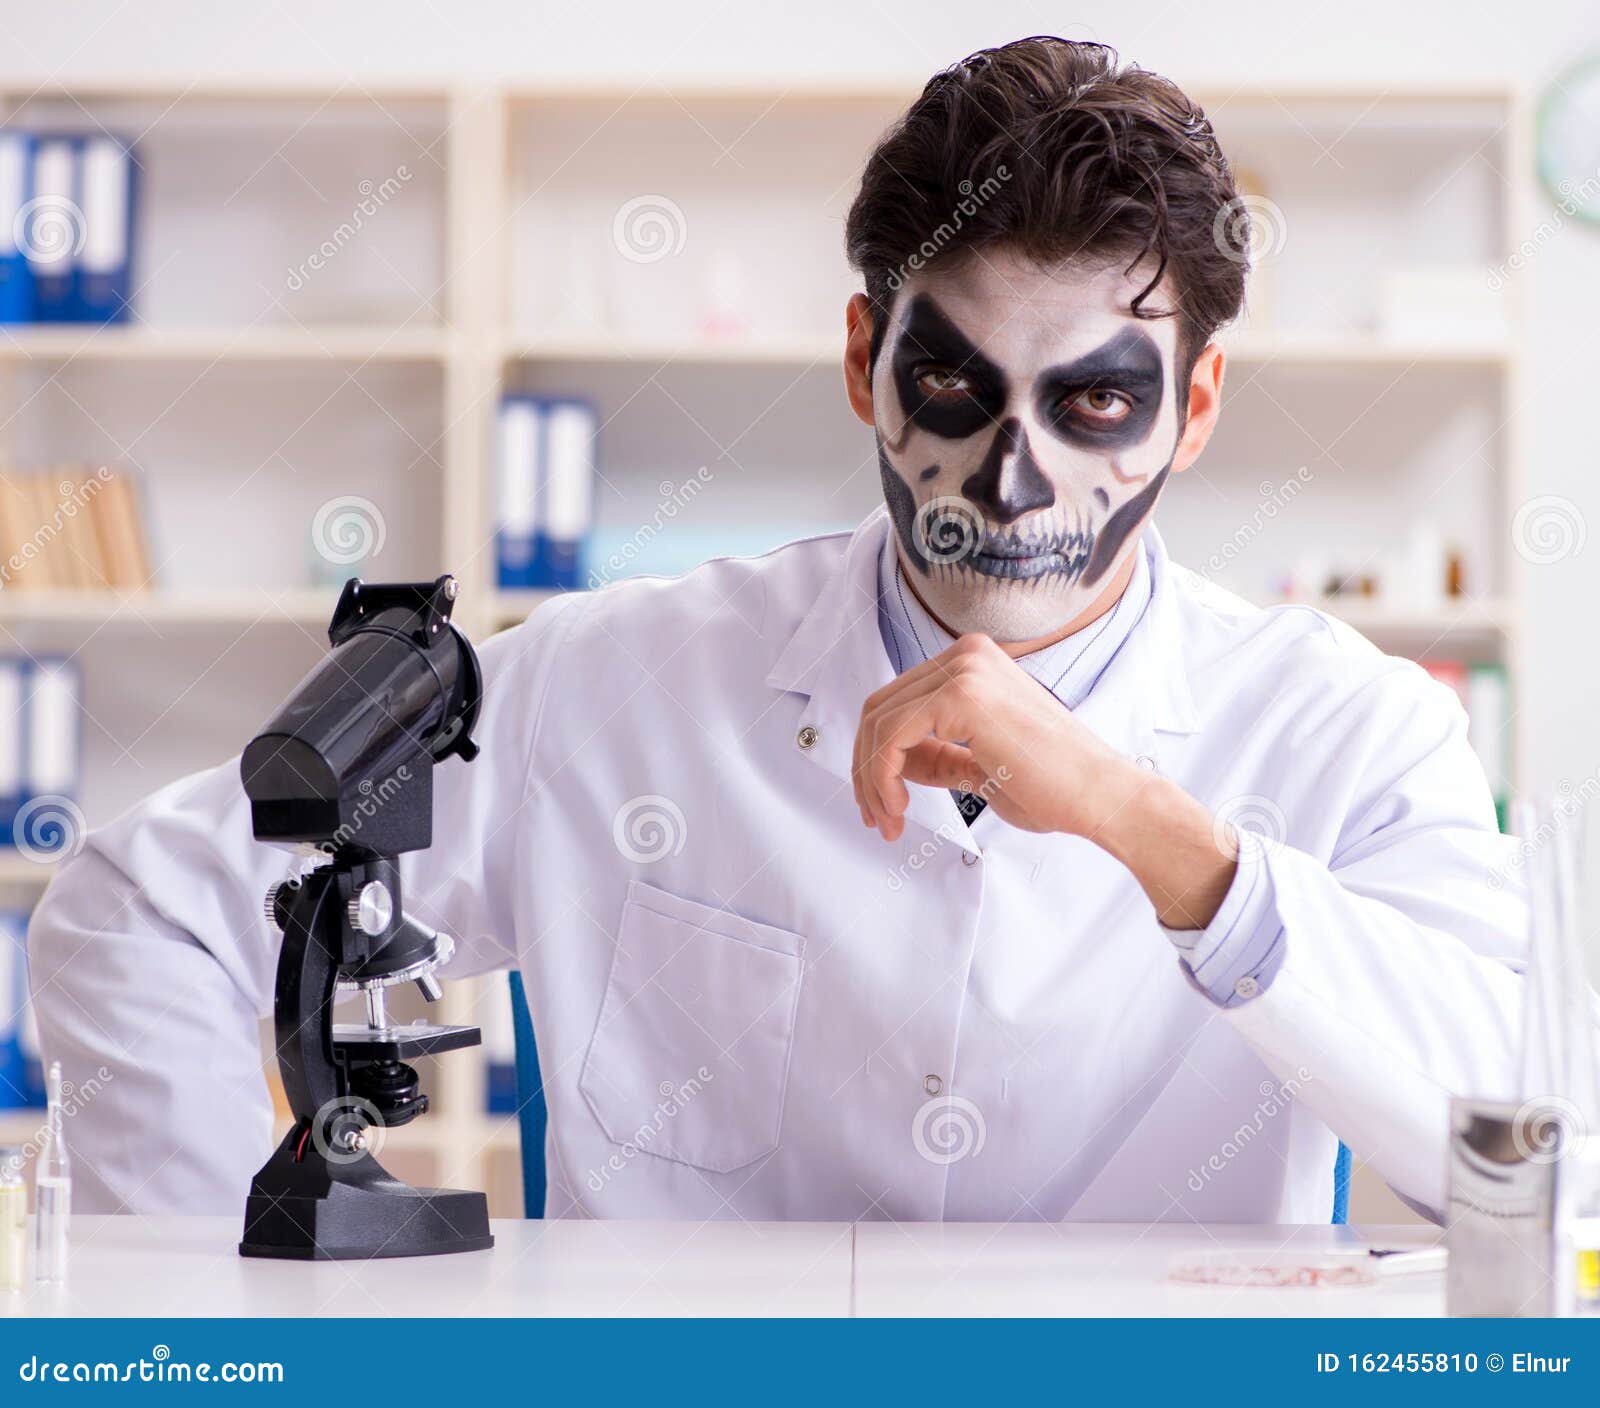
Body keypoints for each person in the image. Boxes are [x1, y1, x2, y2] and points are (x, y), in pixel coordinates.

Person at [29, 37, 1526, 1222]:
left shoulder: (1350, 731)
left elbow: (1531, 1156)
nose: (1016, 483)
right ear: (868, 361)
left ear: (1192, 409)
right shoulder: (607, 683)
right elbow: (141, 910)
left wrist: (1155, 836)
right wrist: (222, 1301)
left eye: (1093, 402)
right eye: (957, 388)